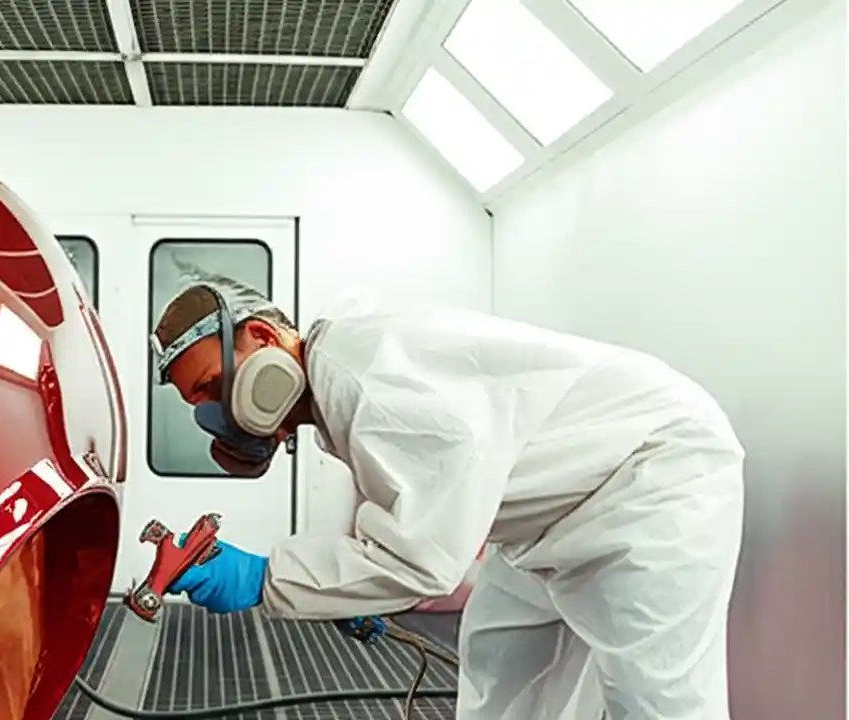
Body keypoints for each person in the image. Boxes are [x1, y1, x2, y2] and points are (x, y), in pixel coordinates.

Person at [149, 268, 745, 720]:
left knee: (656, 697)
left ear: (261, 337)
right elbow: (415, 511)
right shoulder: (338, 385)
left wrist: (264, 578)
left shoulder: (366, 384)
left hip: (650, 476)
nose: (222, 415)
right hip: (543, 518)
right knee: (502, 672)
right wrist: (342, 593)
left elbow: (421, 560)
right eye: (202, 406)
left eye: (215, 387)